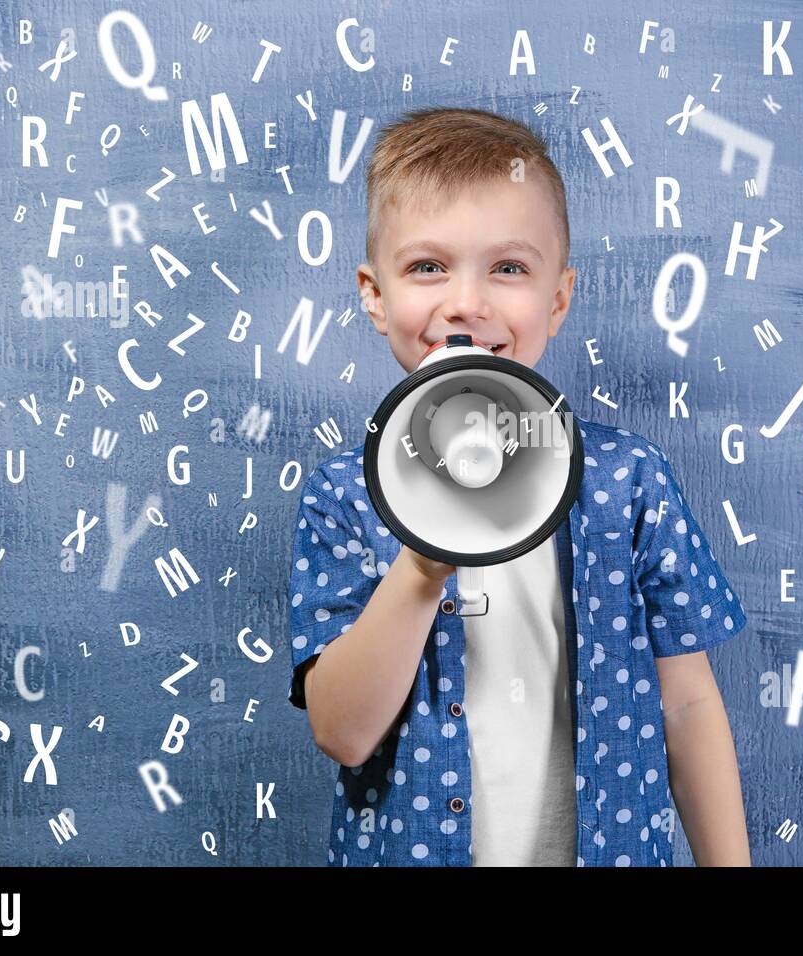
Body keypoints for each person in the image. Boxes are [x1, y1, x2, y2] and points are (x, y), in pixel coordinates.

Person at [289, 107, 751, 866]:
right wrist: (421, 565)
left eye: (508, 269)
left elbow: (689, 703)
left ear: (558, 299)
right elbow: (342, 733)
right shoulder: (344, 495)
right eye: (428, 267)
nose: (468, 303)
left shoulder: (627, 481)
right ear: (374, 296)